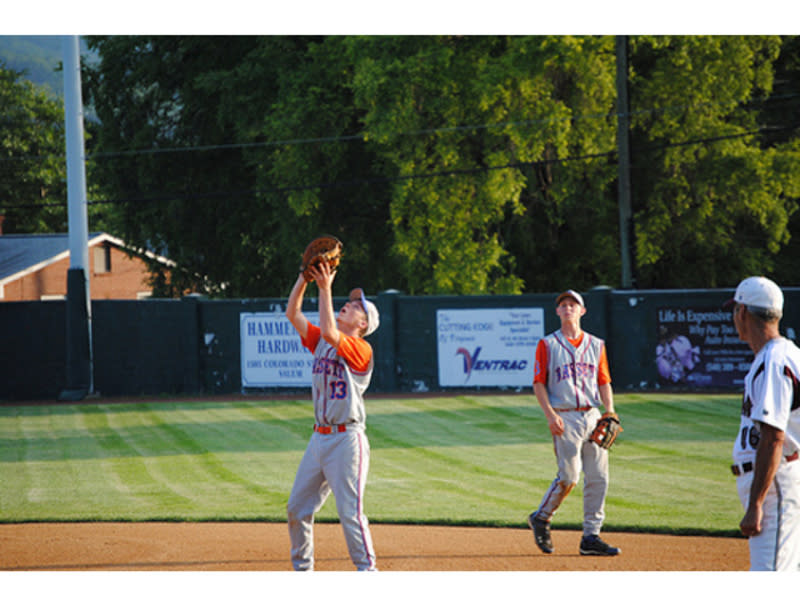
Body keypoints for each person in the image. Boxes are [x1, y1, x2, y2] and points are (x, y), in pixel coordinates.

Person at [285, 259, 380, 571]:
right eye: (349, 301)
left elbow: (328, 330)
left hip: (347, 440)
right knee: (297, 508)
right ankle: (303, 573)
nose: (349, 306)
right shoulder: (324, 344)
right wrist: (304, 279)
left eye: (357, 307)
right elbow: (293, 314)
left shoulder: (361, 349)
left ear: (363, 324)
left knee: (350, 513)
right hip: (319, 438)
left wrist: (325, 288)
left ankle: (368, 572)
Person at [527, 289, 621, 556]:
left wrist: (610, 412)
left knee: (599, 478)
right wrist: (550, 415)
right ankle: (542, 517)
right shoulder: (548, 344)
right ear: (557, 312)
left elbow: (604, 381)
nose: (568, 308)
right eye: (563, 305)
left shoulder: (596, 344)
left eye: (573, 304)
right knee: (569, 477)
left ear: (582, 311)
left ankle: (591, 536)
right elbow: (539, 383)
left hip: (592, 415)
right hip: (564, 415)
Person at [728, 276, 800, 571]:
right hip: (778, 478)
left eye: (734, 310)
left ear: (742, 312)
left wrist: (756, 503)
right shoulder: (782, 355)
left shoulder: (774, 360)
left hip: (774, 484)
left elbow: (773, 437)